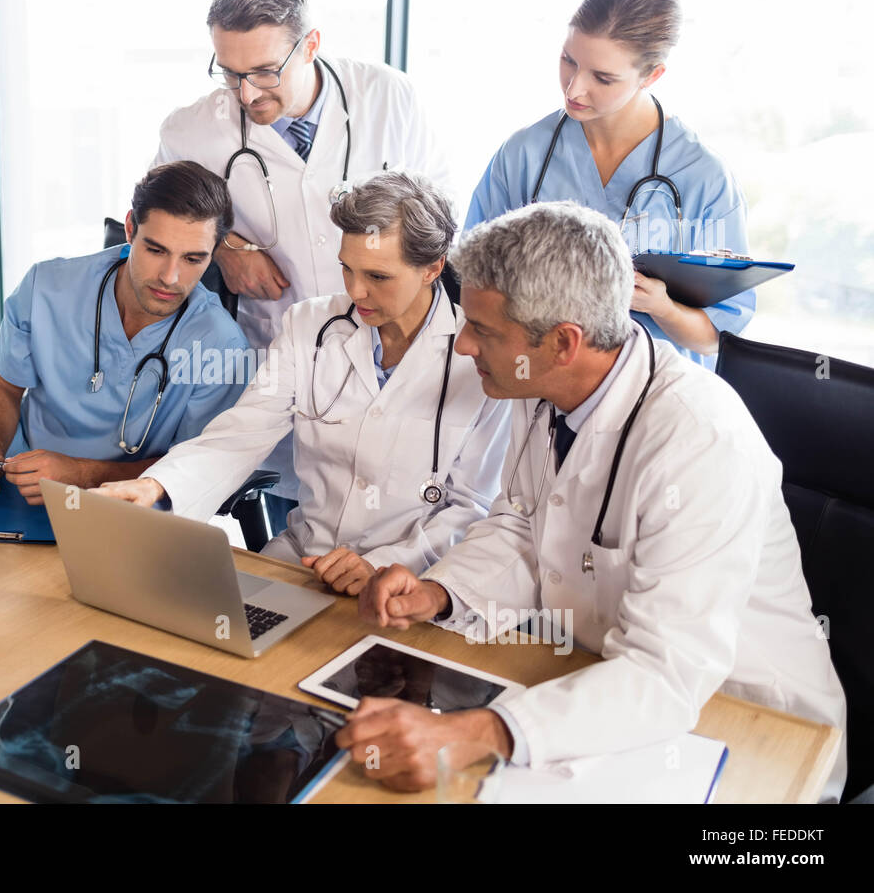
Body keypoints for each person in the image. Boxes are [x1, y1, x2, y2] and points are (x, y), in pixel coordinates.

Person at [338, 201, 847, 801]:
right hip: (602, 684)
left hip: (744, 728)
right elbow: (523, 523)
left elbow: (665, 676)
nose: (464, 345)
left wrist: (480, 732)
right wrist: (443, 591)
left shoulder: (700, 441)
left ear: (563, 341)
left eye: (483, 330)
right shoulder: (538, 382)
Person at [91, 172, 507, 596]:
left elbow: (472, 506)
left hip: (411, 584)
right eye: (347, 269)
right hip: (303, 562)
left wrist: (383, 565)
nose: (356, 291)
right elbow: (240, 436)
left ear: (433, 268)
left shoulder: (482, 360)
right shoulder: (310, 327)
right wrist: (159, 487)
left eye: (378, 277)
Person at [154, 0, 451, 529]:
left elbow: (442, 212)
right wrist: (227, 249)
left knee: (407, 514)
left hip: (397, 353)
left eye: (265, 71)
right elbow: (166, 222)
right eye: (230, 73)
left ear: (310, 44)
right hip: (282, 347)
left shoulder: (387, 97)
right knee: (303, 515)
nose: (246, 94)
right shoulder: (192, 130)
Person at [465, 0, 752, 368]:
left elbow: (718, 339)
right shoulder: (525, 154)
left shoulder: (702, 178)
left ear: (651, 75)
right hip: (537, 386)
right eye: (568, 60)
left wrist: (663, 307)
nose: (574, 88)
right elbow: (473, 277)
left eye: (603, 77)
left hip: (652, 397)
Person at [0, 161, 250, 504]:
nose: (171, 277)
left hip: (128, 511)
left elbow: (197, 468)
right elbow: (3, 386)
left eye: (193, 259)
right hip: (17, 491)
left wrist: (81, 475)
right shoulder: (46, 289)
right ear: (129, 229)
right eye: (156, 250)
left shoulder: (221, 344)